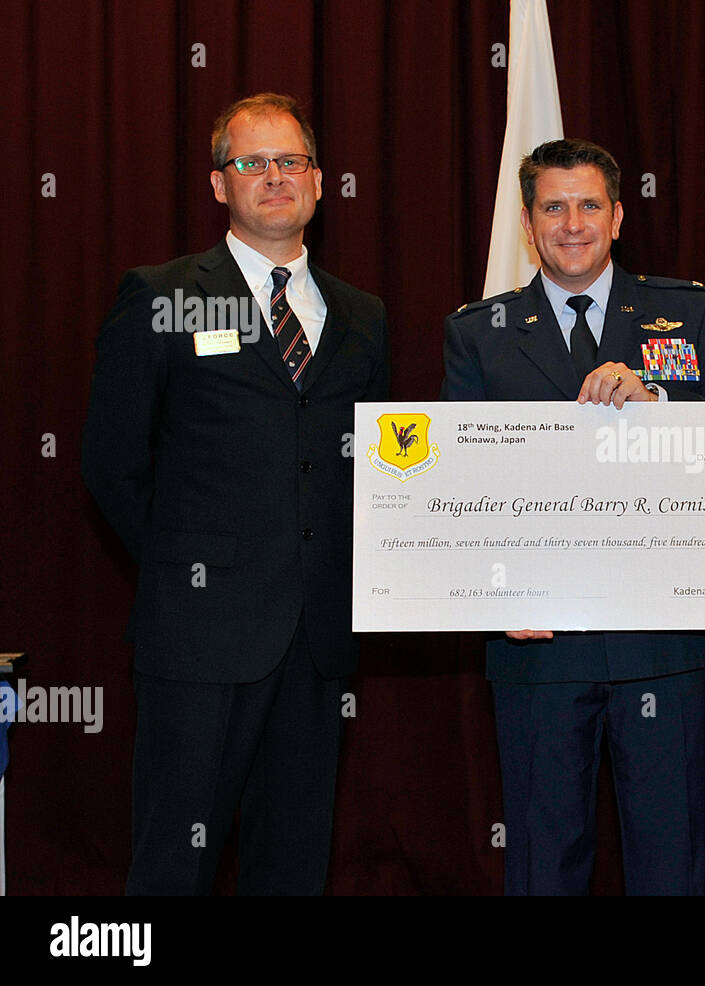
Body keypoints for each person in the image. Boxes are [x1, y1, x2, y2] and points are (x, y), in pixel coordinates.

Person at [82, 93, 390, 894]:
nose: (274, 177)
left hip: (318, 639)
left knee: (292, 862)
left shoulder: (363, 314)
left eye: (291, 161)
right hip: (200, 637)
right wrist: (192, 569)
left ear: (320, 181)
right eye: (251, 162)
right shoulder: (166, 295)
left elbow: (376, 470)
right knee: (174, 863)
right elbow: (112, 464)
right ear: (220, 185)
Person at [441, 138, 705, 895]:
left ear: (617, 216)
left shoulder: (687, 310)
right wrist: (493, 592)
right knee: (544, 861)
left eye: (588, 205)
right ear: (527, 223)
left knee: (671, 860)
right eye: (553, 206)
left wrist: (660, 404)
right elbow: (458, 483)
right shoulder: (477, 333)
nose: (572, 223)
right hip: (540, 639)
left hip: (669, 636)